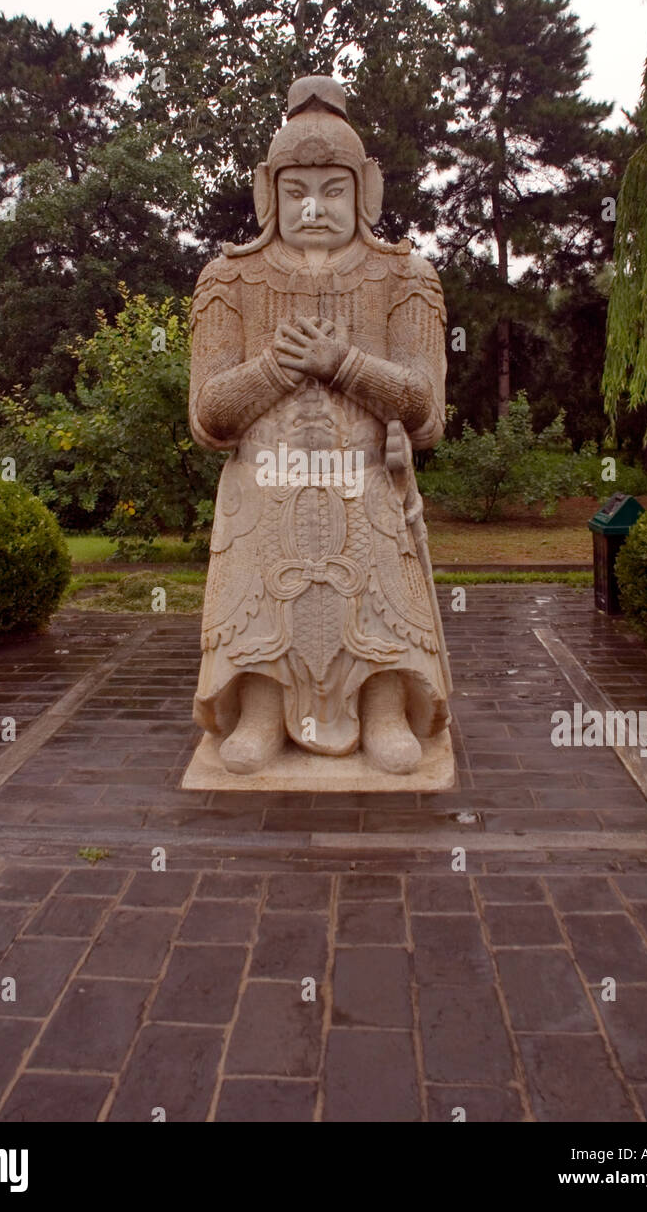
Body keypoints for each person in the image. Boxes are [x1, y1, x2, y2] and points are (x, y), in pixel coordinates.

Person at [189, 75, 452, 776]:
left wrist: (342, 364)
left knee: (371, 540)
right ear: (265, 190)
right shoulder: (228, 279)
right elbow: (209, 414)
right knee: (261, 542)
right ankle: (261, 711)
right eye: (295, 188)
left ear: (366, 189)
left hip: (367, 473)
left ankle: (384, 707)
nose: (312, 206)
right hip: (264, 479)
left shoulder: (405, 276)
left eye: (332, 189)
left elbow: (426, 407)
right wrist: (275, 370)